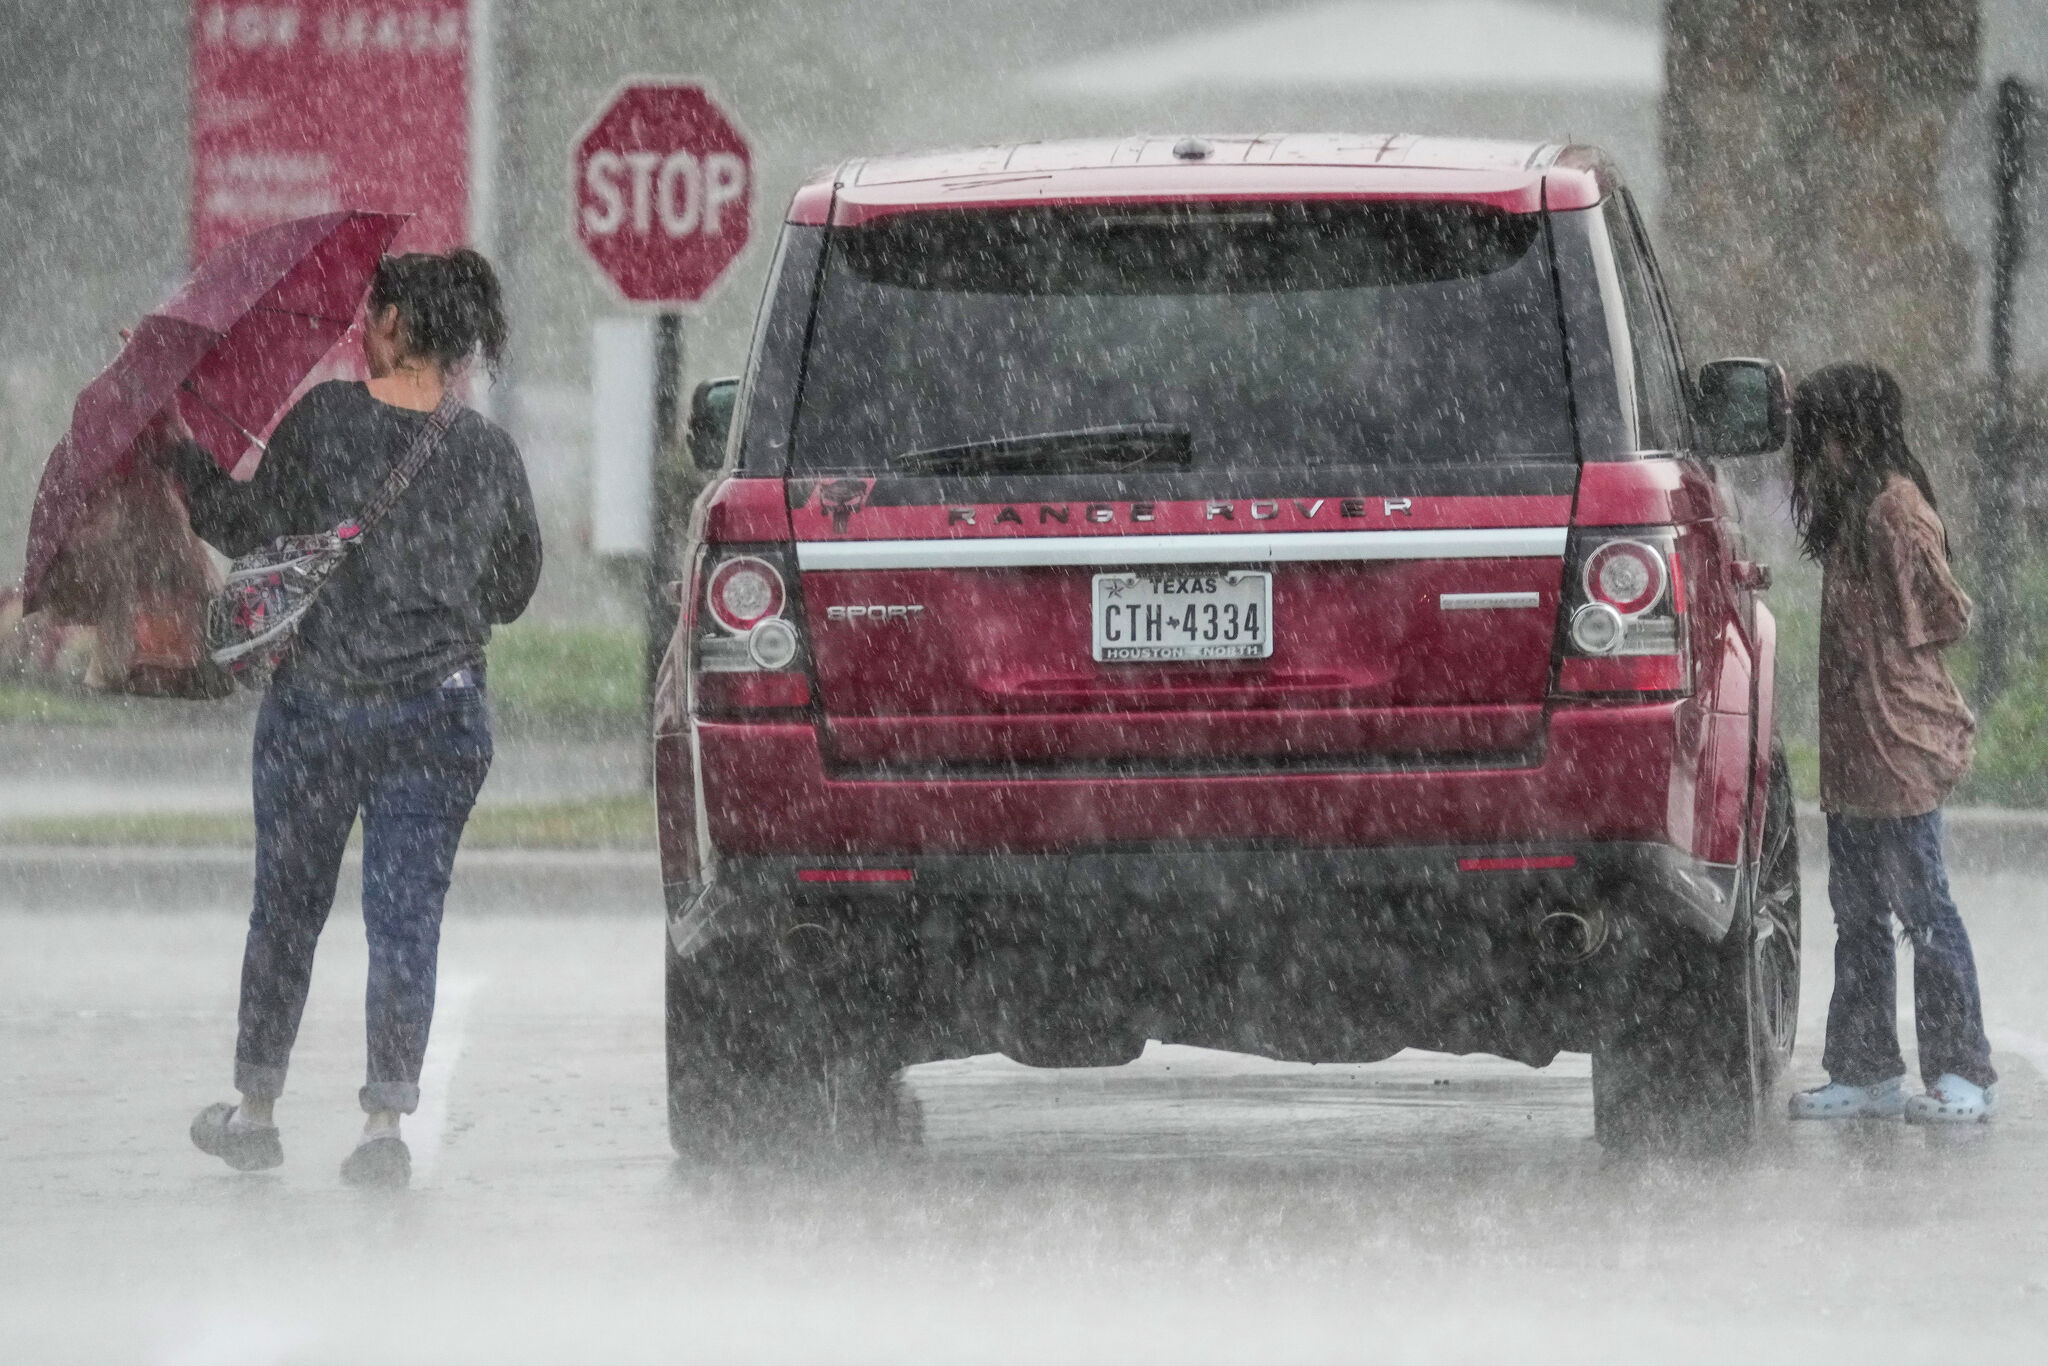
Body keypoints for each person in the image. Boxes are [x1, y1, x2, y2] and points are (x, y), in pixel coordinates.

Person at [173, 249, 542, 1185]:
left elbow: (244, 524)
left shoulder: (328, 419)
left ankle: (256, 1108)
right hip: (439, 714)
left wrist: (173, 446)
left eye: (370, 317)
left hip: (319, 708)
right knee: (405, 919)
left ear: (395, 324)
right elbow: (512, 591)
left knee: (286, 911)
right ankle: (384, 1124)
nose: (362, 332)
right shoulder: (489, 452)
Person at [1784, 362, 1996, 1125]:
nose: (1812, 455)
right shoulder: (1854, 508)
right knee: (1860, 917)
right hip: (1855, 753)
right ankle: (1866, 1069)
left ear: (1848, 434)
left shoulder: (1892, 511)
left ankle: (1962, 1071)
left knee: (1923, 912)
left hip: (1898, 744)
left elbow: (1947, 613)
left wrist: (1888, 644)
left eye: (1818, 437)